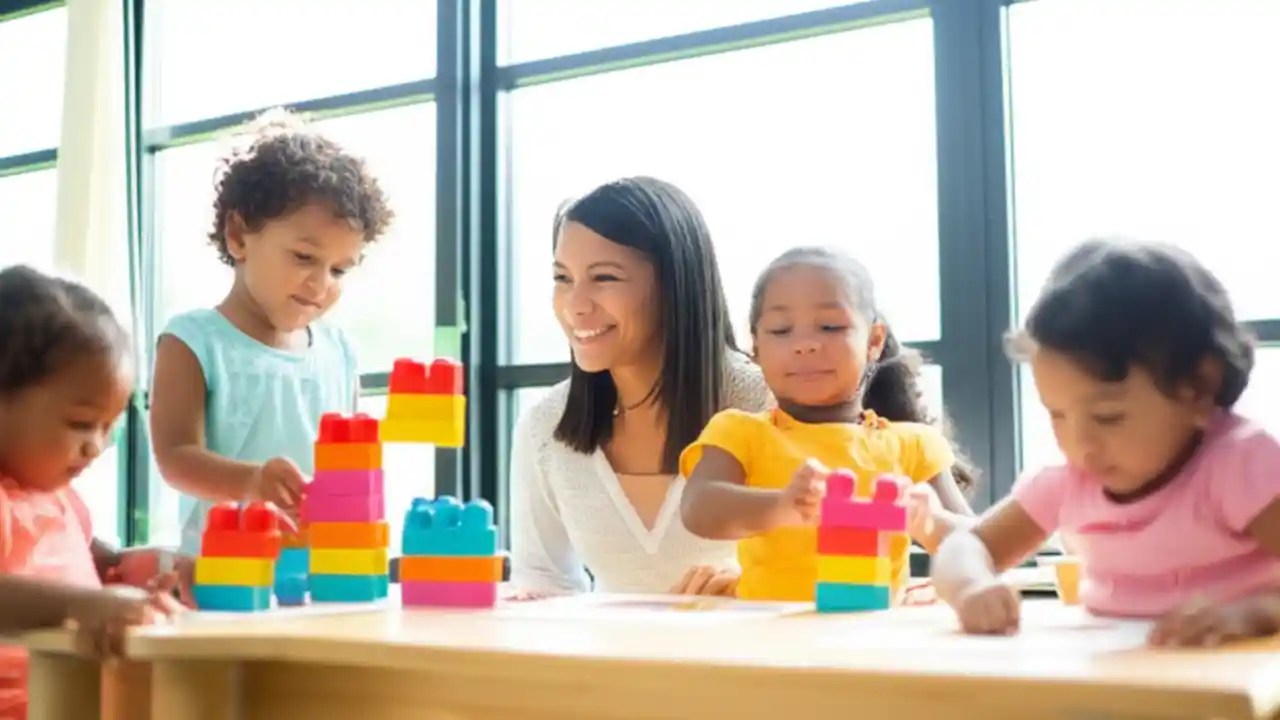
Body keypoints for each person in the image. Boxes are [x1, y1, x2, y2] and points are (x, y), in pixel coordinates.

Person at [932, 238, 1280, 647]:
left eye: (1107, 417)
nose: (1078, 443)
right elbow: (966, 543)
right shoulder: (1069, 482)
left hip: (1237, 686)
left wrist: (1253, 614)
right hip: (1123, 682)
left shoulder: (1239, 463)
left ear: (1198, 389)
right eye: (1056, 414)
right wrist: (972, 588)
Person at [149, 109, 394, 569]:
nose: (321, 285)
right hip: (222, 576)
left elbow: (349, 466)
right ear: (239, 236)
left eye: (339, 270)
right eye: (304, 256)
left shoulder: (339, 352)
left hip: (323, 574)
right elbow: (176, 458)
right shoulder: (192, 341)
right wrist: (252, 482)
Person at [509, 177, 773, 597]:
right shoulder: (545, 427)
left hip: (748, 661)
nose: (575, 304)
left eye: (605, 278)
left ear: (675, 284)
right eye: (563, 277)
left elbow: (853, 564)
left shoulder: (769, 407)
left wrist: (765, 585)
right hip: (606, 663)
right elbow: (543, 583)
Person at [680, 246, 977, 602]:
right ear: (755, 345)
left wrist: (931, 523)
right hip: (767, 645)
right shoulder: (739, 431)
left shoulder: (914, 444)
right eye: (781, 330)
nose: (805, 344)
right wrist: (783, 507)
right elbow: (699, 508)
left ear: (874, 341)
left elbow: (981, 545)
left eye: (830, 326)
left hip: (874, 645)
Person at [0, 266, 182, 718]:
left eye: (108, 427)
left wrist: (150, 567)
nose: (96, 446)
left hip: (80, 700)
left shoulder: (60, 499)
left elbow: (93, 563)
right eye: (81, 424)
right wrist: (83, 606)